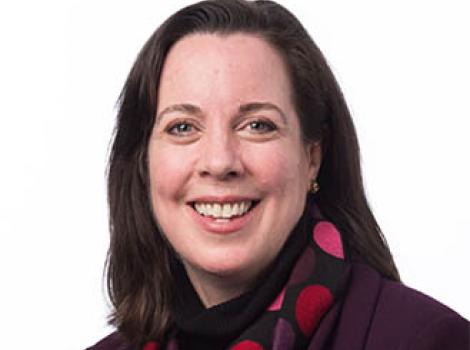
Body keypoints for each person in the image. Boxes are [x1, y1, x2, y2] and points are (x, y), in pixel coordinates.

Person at [87, 1, 469, 349]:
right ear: (143, 162)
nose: (220, 162)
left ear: (312, 158)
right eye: (183, 127)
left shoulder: (427, 339)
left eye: (257, 125)